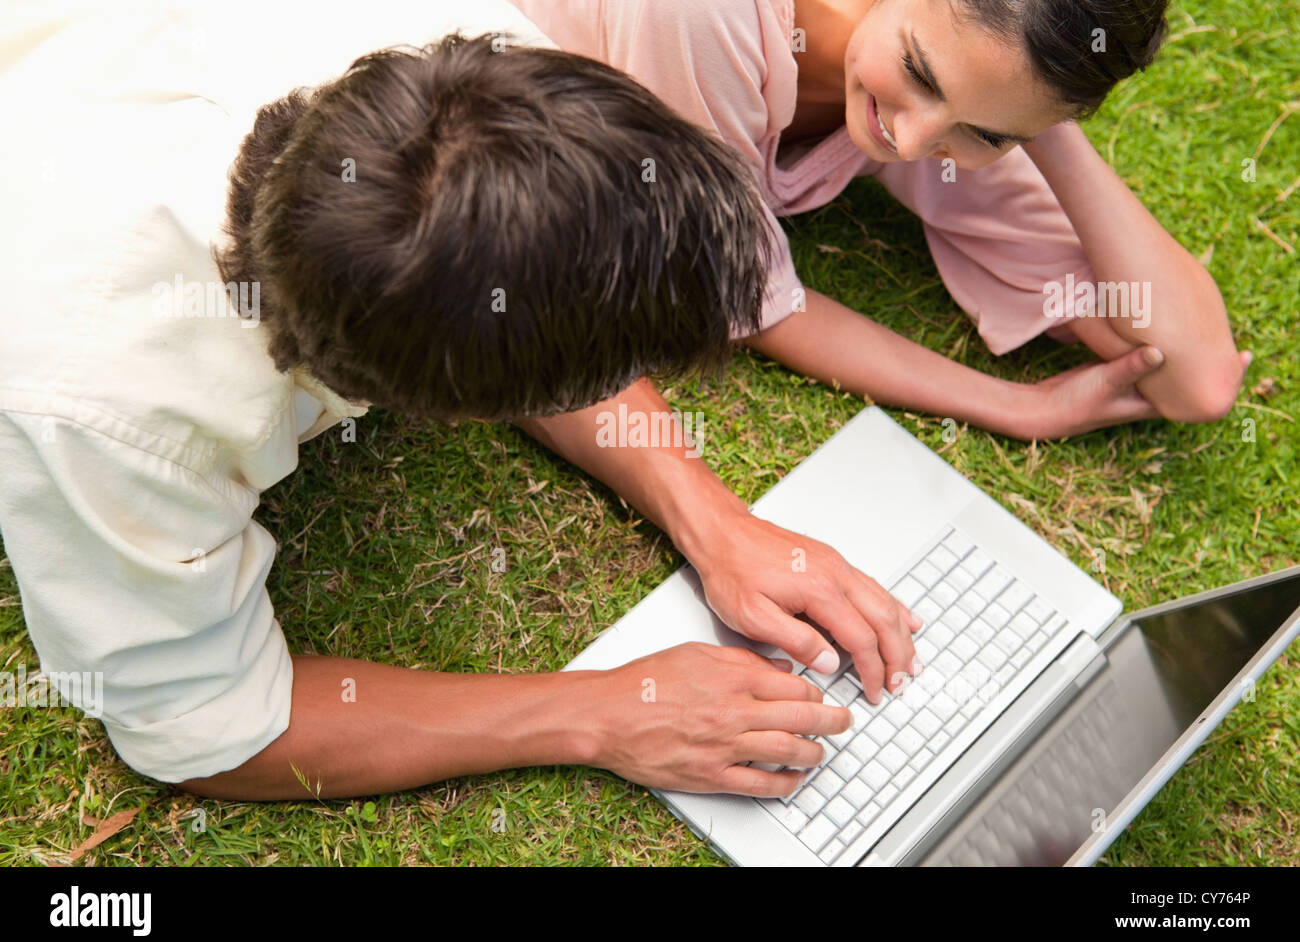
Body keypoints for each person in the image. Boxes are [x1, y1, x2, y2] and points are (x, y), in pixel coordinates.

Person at [0, 0, 892, 801]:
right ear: (455, 411)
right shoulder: (111, 416)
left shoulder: (478, 70)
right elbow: (215, 726)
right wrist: (601, 713)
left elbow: (528, 262)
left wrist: (713, 520)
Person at [510, 0, 1250, 440]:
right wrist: (1017, 407)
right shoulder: (704, 18)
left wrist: (1041, 117)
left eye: (988, 133)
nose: (915, 140)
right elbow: (746, 294)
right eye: (920, 72)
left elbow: (1201, 381)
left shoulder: (960, 92)